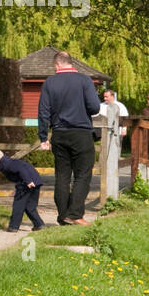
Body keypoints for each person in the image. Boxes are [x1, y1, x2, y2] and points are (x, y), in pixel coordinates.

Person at [38, 50, 100, 225]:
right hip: (81, 133)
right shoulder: (84, 80)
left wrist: (43, 137)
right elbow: (95, 107)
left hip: (59, 133)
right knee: (83, 174)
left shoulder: (49, 83)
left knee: (62, 176)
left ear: (56, 65)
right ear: (70, 63)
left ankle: (63, 216)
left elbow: (43, 112)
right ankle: (74, 214)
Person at [0, 147, 45, 232]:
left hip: (27, 183)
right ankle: (39, 224)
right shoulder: (9, 163)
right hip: (35, 181)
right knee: (30, 206)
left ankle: (13, 226)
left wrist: (28, 181)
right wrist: (19, 188)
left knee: (18, 205)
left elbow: (21, 169)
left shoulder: (7, 164)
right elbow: (19, 173)